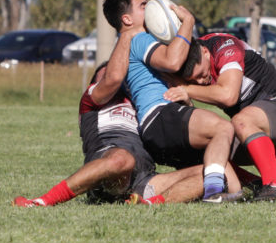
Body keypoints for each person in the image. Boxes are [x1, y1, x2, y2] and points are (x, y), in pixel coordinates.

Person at [13, 28, 237, 208]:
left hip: (142, 179)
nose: (116, 80)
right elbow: (111, 79)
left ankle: (148, 204)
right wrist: (128, 34)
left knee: (208, 172)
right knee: (123, 159)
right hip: (110, 168)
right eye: (106, 74)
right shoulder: (91, 100)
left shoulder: (139, 103)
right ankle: (43, 201)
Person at [104, 0, 238, 203]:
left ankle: (150, 202)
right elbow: (172, 61)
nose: (150, 8)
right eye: (143, 5)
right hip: (159, 116)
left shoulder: (135, 42)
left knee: (230, 183)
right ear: (127, 19)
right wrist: (188, 23)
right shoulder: (138, 39)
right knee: (222, 127)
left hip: (158, 126)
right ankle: (213, 192)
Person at [165, 33, 276, 201]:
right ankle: (254, 186)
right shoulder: (186, 69)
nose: (202, 81)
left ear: (205, 51)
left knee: (241, 121)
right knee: (202, 143)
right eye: (194, 80)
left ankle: (274, 187)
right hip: (254, 135)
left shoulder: (223, 45)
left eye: (202, 74)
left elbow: (228, 96)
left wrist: (186, 88)